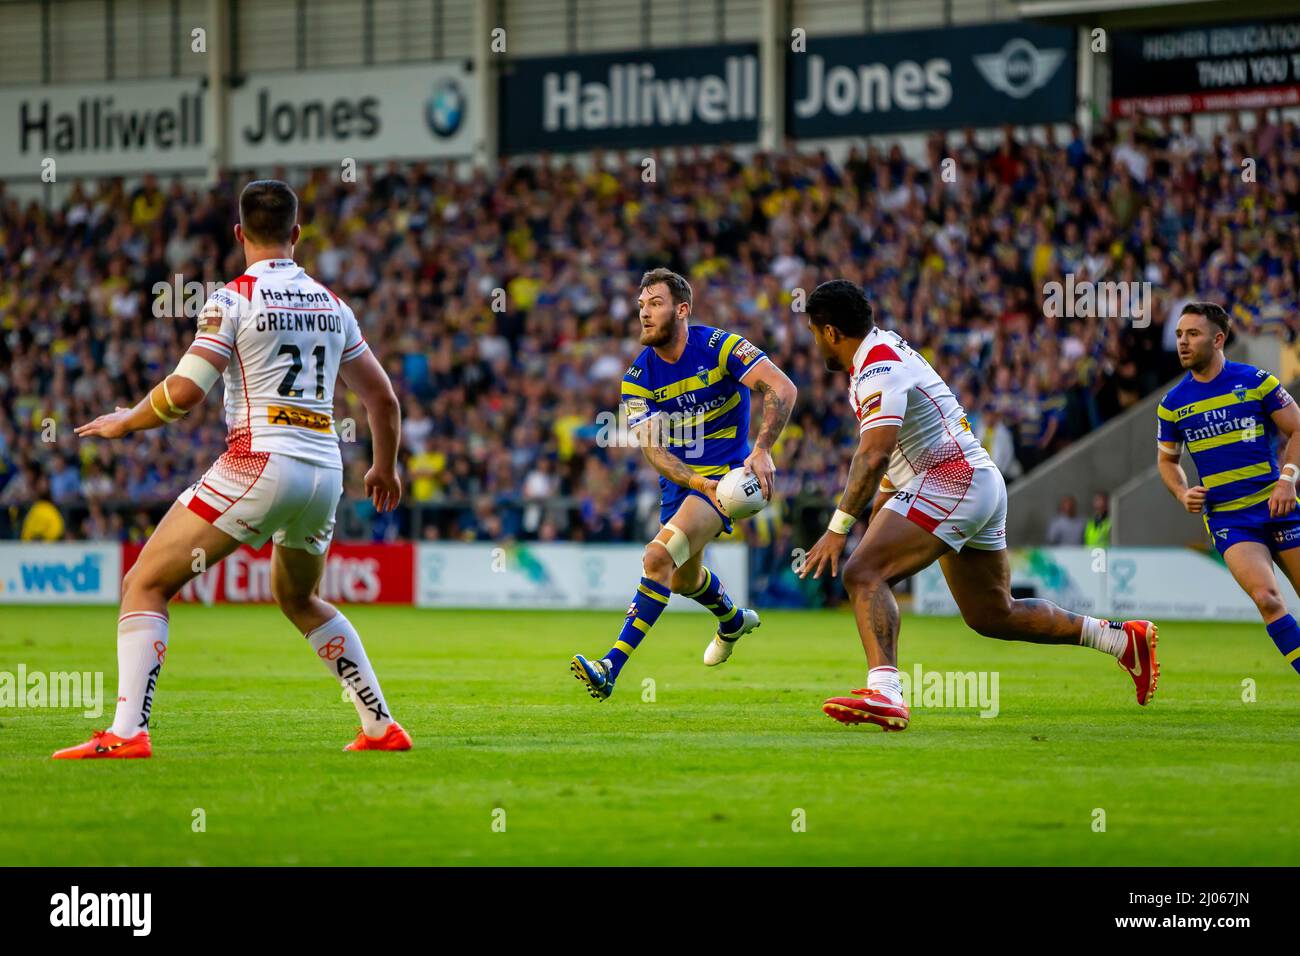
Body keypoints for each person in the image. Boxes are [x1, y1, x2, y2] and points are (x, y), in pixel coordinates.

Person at [53, 180, 409, 759]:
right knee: (300, 598)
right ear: (296, 234)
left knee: (144, 583)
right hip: (325, 471)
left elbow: (185, 392)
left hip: (259, 460)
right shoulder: (335, 306)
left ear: (239, 233)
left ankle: (126, 734)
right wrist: (386, 469)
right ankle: (380, 726)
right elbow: (383, 401)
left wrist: (127, 420)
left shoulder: (233, 299)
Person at [797, 280, 1158, 731]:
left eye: (814, 333)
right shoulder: (883, 353)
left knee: (863, 573)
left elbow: (873, 455)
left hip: (953, 480)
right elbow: (894, 457)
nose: (815, 345)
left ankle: (886, 692)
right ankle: (1121, 641)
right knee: (993, 614)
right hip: (971, 479)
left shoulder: (878, 367)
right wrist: (876, 520)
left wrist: (838, 527)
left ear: (830, 332)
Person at [570, 268, 797, 700]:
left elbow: (782, 389)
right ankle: (731, 619)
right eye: (640, 305)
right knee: (681, 578)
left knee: (657, 558)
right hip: (683, 484)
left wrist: (763, 448)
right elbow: (653, 451)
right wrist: (695, 481)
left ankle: (609, 667)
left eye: (654, 303)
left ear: (682, 309)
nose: (644, 313)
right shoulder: (638, 376)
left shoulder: (721, 346)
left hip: (730, 479)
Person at [1157, 301, 1300, 677]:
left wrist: (1287, 480)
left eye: (1192, 334)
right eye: (1179, 335)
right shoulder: (1173, 405)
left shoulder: (1256, 381)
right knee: (1268, 600)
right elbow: (1167, 462)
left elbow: (1297, 427)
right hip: (1229, 520)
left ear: (1218, 339)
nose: (1182, 343)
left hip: (1278, 506)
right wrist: (1181, 492)